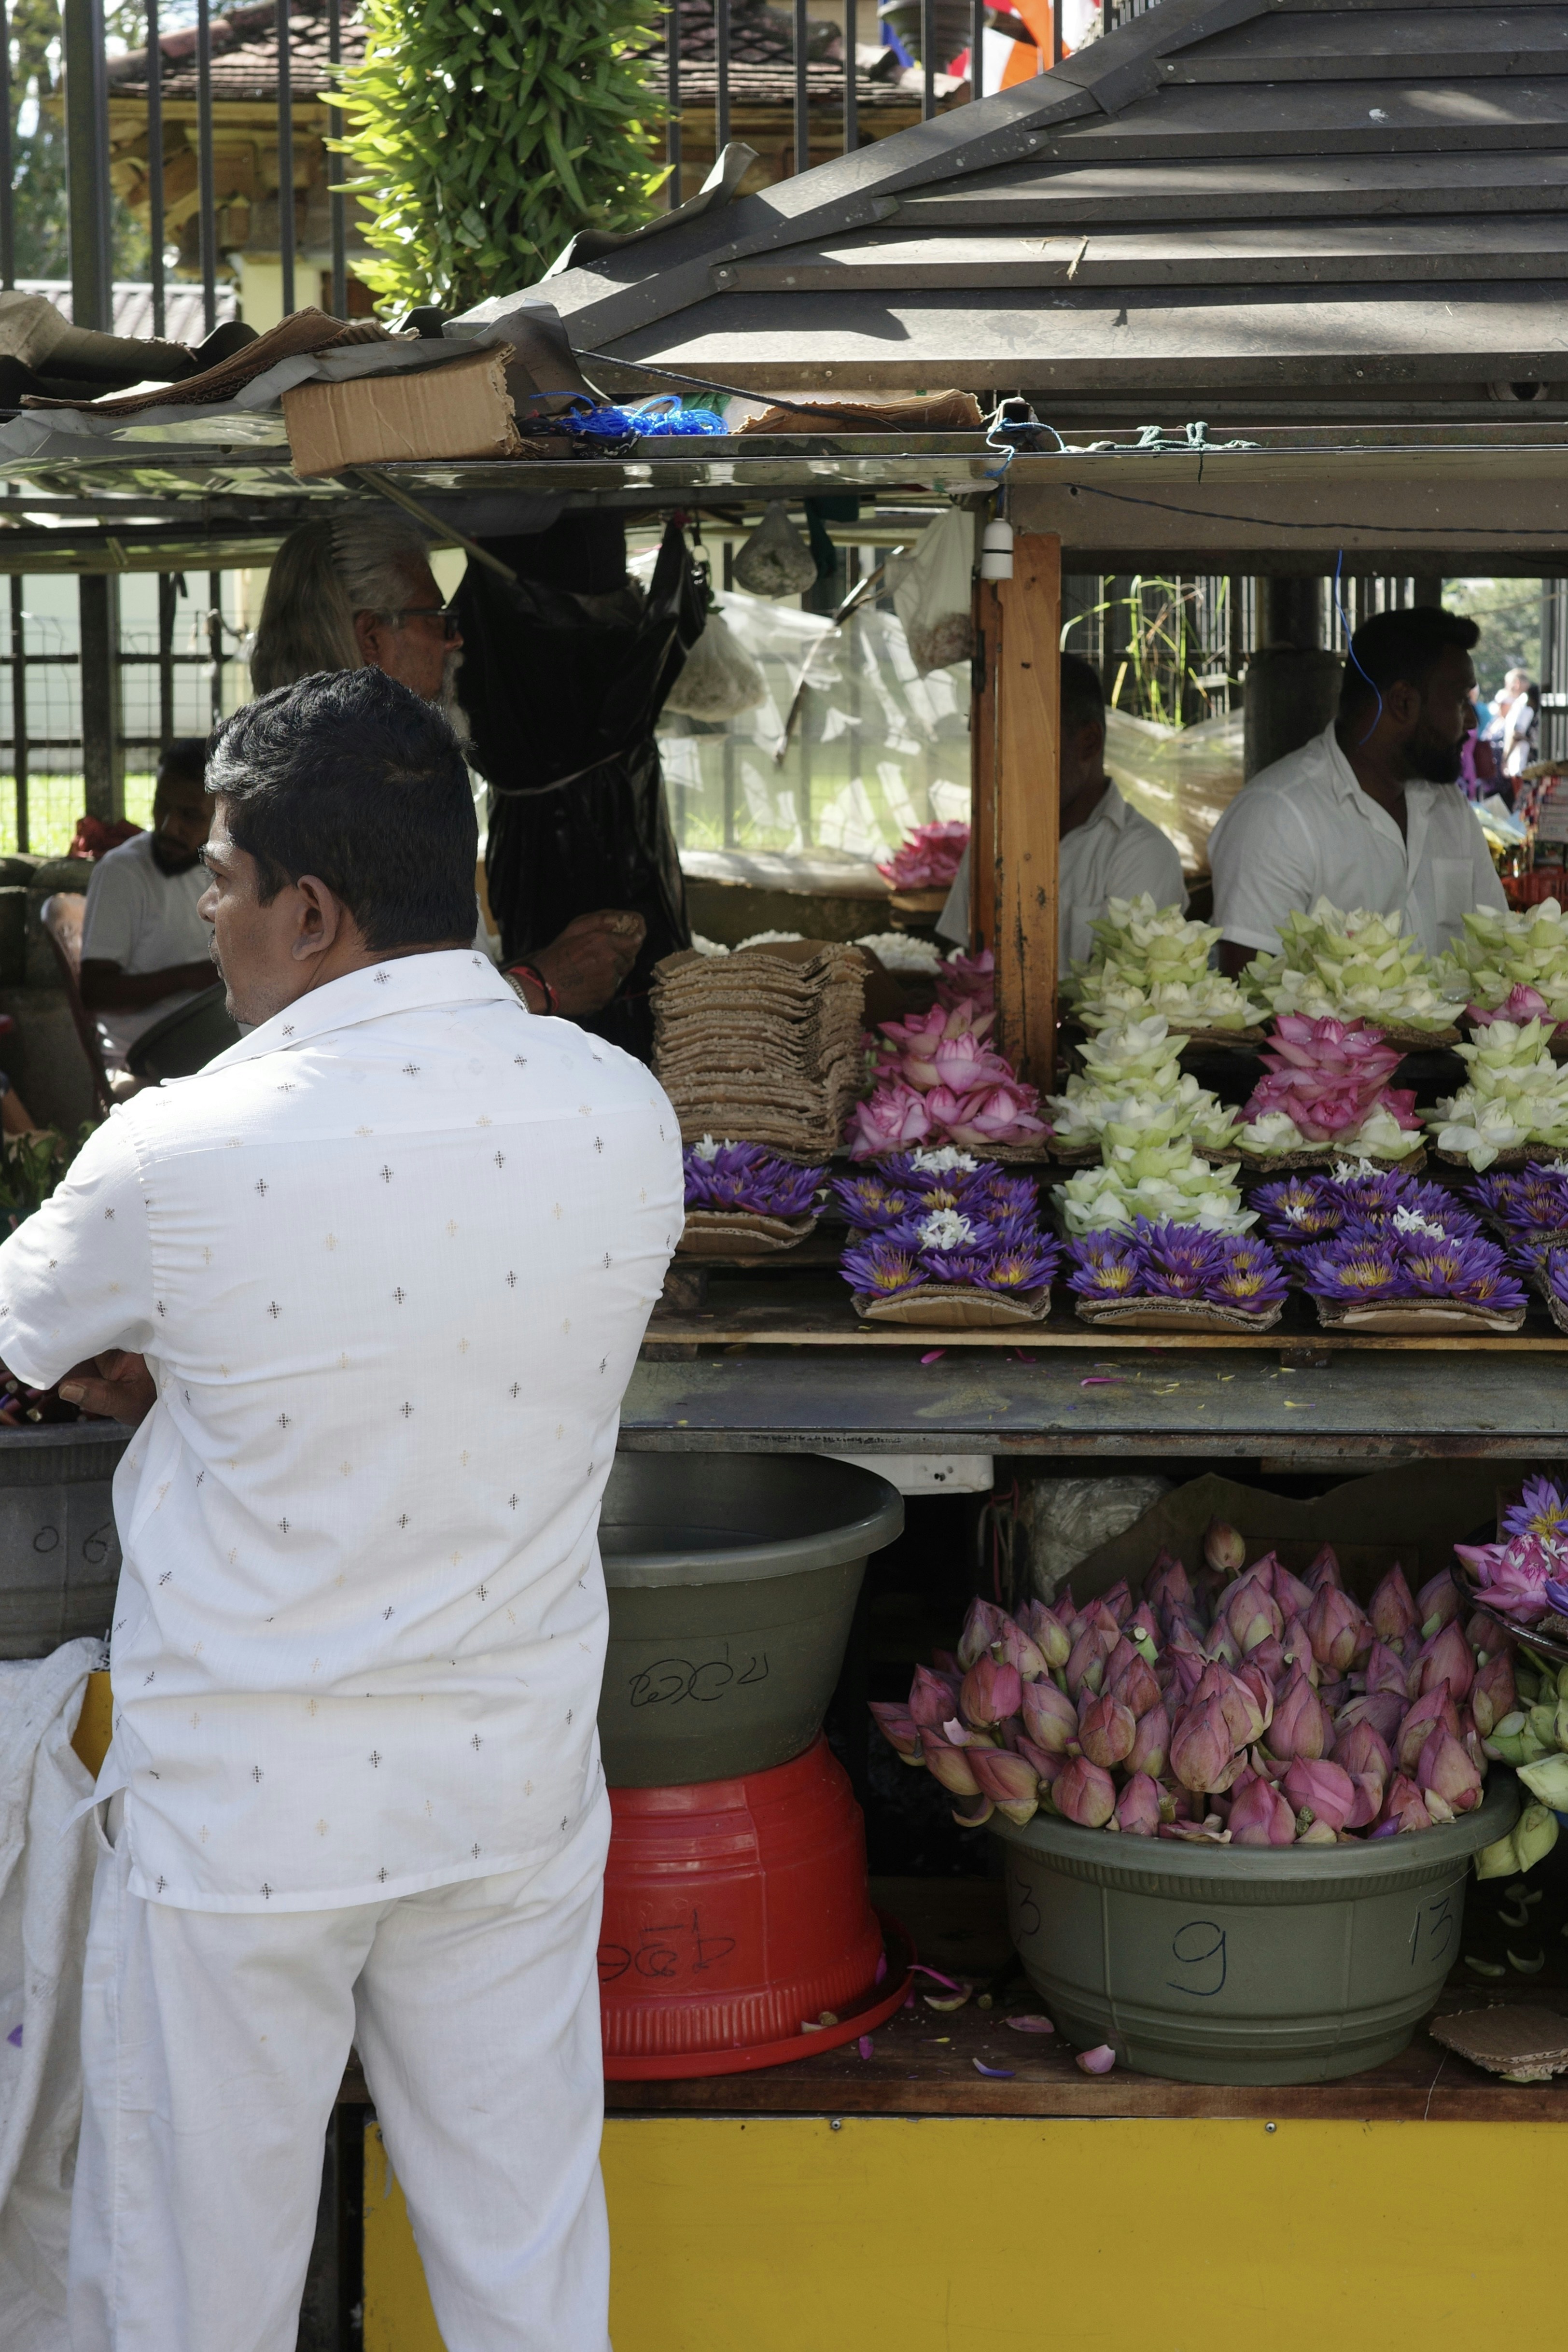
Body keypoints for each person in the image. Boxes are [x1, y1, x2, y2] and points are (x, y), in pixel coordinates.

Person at [0, 668, 680, 2351]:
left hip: (246, 1817)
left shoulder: (179, 1147)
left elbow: (27, 1333)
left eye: (218, 883)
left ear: (306, 911)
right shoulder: (621, 1112)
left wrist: (168, 1371)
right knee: (524, 2268)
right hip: (503, 1792)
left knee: (189, 2291)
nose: (204, 915)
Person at [252, 513, 645, 1022]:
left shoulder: (297, 779)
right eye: (437, 617)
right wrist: (539, 984)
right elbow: (388, 1032)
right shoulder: (340, 808)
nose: (454, 641)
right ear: (372, 638)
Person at [1209, 605, 1506, 973]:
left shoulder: (1450, 808)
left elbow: (1497, 945)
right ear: (1403, 703)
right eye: (1461, 700)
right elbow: (1247, 996)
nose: (1471, 721)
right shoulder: (1276, 817)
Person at [938, 650, 1187, 970]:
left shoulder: (1141, 854)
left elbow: (1126, 1003)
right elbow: (964, 960)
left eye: (1022, 744)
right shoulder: (994, 838)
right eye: (990, 744)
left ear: (1088, 742)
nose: (1001, 765)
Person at [78, 737, 216, 1071]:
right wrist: (191, 978)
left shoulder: (232, 867)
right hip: (143, 1057)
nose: (169, 826)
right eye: (161, 806)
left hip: (212, 1046)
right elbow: (95, 992)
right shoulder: (122, 872)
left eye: (190, 815)